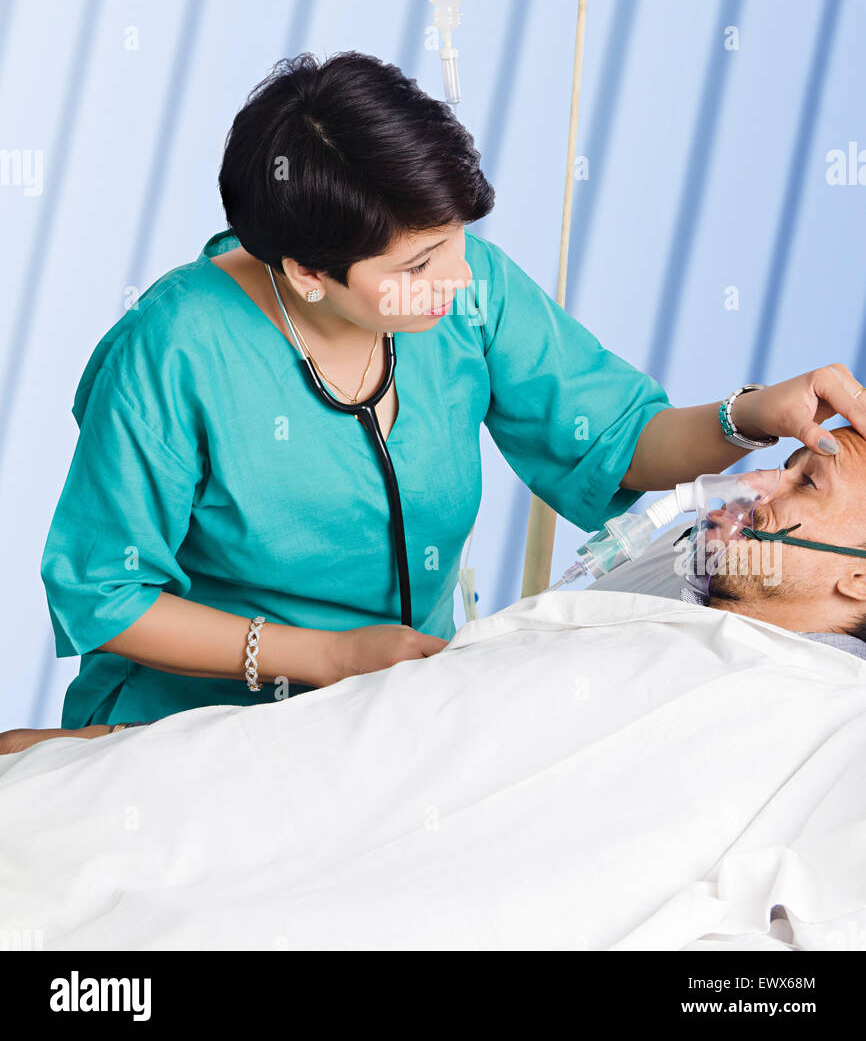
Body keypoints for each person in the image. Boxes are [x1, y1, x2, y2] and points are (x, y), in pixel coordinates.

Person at [3, 50, 865, 754]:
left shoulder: (467, 291)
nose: (457, 281)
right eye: (415, 270)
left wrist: (746, 416)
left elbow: (618, 438)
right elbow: (107, 596)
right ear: (307, 273)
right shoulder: (175, 350)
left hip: (391, 716)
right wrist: (325, 658)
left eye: (457, 239)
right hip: (186, 726)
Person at [681, 425, 866, 660]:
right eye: (787, 468)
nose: (748, 482)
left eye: (807, 482)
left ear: (860, 579)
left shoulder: (802, 694)